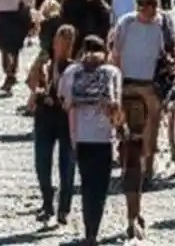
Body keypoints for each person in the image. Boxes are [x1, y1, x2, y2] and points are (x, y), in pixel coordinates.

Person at [59, 35, 122, 246]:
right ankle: (94, 230)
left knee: (87, 184)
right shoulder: (112, 72)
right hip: (104, 138)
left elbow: (65, 103)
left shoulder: (72, 72)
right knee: (100, 186)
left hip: (81, 137)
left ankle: (88, 231)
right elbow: (116, 107)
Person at [110, 0, 171, 181]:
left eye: (152, 5)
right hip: (128, 80)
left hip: (149, 82)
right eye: (144, 5)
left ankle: (148, 168)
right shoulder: (126, 22)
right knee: (126, 126)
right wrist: (118, 81)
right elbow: (116, 52)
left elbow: (162, 53)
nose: (148, 9)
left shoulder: (160, 25)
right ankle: (128, 165)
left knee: (151, 125)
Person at [28, 24, 76, 226]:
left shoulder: (74, 68)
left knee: (67, 165)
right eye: (60, 39)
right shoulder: (44, 63)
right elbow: (31, 83)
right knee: (42, 162)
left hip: (65, 118)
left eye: (68, 41)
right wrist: (37, 68)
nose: (63, 45)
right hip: (45, 116)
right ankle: (47, 202)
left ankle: (64, 208)